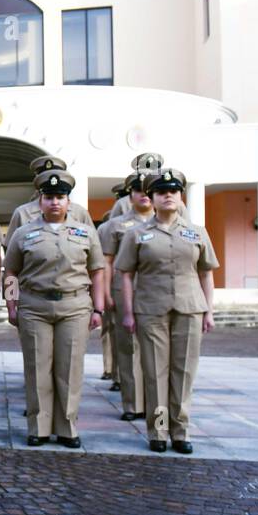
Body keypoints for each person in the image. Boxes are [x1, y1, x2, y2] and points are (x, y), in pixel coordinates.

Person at [115, 168, 219, 454]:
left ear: (180, 195)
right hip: (151, 309)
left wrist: (209, 311)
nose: (168, 196)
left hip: (189, 307)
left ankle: (181, 431)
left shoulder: (197, 232)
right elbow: (125, 273)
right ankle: (158, 431)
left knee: (183, 371)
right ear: (152, 198)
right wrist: (128, 312)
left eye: (173, 191)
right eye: (161, 192)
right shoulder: (136, 234)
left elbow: (206, 273)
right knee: (155, 372)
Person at [3, 169, 106, 448]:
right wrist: (12, 304)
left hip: (74, 306)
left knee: (70, 367)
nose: (55, 202)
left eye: (60, 197)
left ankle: (67, 427)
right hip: (34, 306)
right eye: (49, 197)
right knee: (37, 368)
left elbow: (97, 270)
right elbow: (11, 270)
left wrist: (99, 308)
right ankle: (38, 427)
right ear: (41, 201)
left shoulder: (85, 232)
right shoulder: (24, 233)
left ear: (68, 202)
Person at [98, 170, 155, 421]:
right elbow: (106, 263)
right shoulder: (115, 225)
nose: (144, 195)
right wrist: (107, 294)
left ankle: (158, 413)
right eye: (138, 190)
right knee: (129, 349)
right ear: (130, 195)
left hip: (158, 293)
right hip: (124, 292)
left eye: (148, 190)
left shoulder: (171, 223)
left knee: (158, 355)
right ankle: (133, 405)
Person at [5, 155, 94, 238]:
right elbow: (11, 249)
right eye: (43, 177)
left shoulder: (80, 212)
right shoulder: (22, 213)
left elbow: (93, 243)